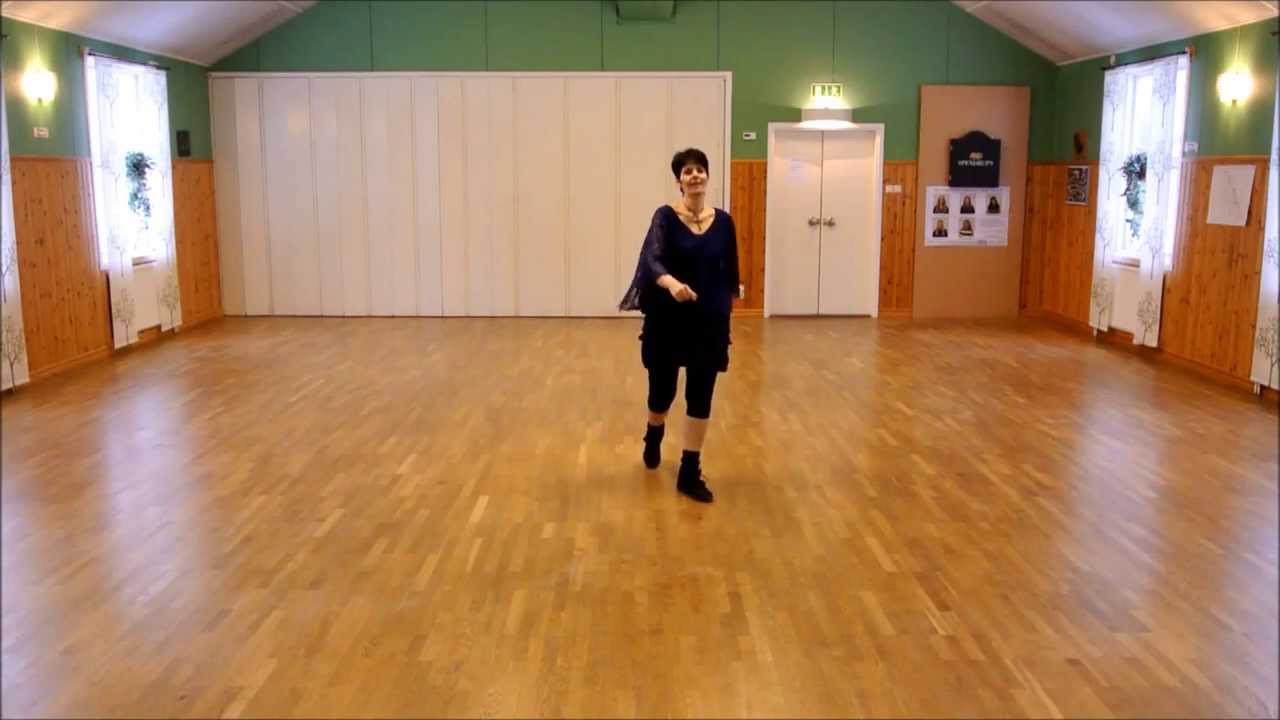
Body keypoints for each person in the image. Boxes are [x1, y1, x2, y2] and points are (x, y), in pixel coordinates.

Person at [619, 148, 739, 503]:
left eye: (700, 169)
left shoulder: (724, 222)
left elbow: (729, 271)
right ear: (679, 181)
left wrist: (725, 314)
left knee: (700, 396)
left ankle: (689, 470)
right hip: (668, 319)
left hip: (709, 321)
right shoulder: (665, 217)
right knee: (662, 393)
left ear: (707, 176)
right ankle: (654, 433)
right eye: (688, 171)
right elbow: (651, 260)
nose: (695, 175)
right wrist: (672, 285)